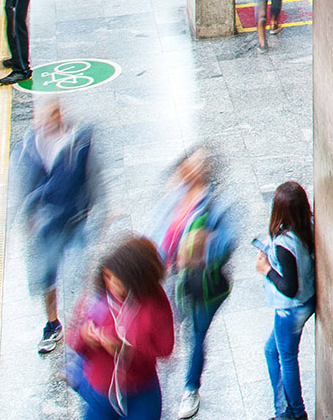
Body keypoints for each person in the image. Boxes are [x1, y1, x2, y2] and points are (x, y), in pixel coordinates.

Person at [151, 147, 236, 420]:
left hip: (202, 285)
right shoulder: (174, 197)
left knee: (196, 335)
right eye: (189, 160)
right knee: (163, 328)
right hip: (171, 279)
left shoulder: (216, 205)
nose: (190, 165)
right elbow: (156, 233)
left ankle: (191, 388)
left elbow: (227, 242)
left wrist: (204, 247)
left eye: (198, 163)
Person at [17, 97, 97, 355]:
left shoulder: (79, 141)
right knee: (47, 276)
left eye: (52, 114)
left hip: (74, 221)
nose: (47, 121)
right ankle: (52, 323)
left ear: (60, 115)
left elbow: (91, 176)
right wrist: (28, 216)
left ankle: (81, 324)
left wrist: (95, 208)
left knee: (76, 274)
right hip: (46, 224)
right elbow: (25, 184)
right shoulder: (31, 148)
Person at [65, 236, 175, 420]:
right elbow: (74, 340)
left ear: (135, 279)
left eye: (117, 281)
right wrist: (85, 336)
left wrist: (126, 350)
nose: (110, 284)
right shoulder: (97, 300)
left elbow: (165, 348)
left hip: (141, 390)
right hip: (101, 391)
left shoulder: (153, 303)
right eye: (107, 277)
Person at [257, 181, 316, 420]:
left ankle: (294, 414)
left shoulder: (284, 244)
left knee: (287, 358)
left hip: (291, 309)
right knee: (272, 351)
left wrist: (266, 269)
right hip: (307, 300)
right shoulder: (309, 226)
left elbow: (289, 288)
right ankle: (286, 411)